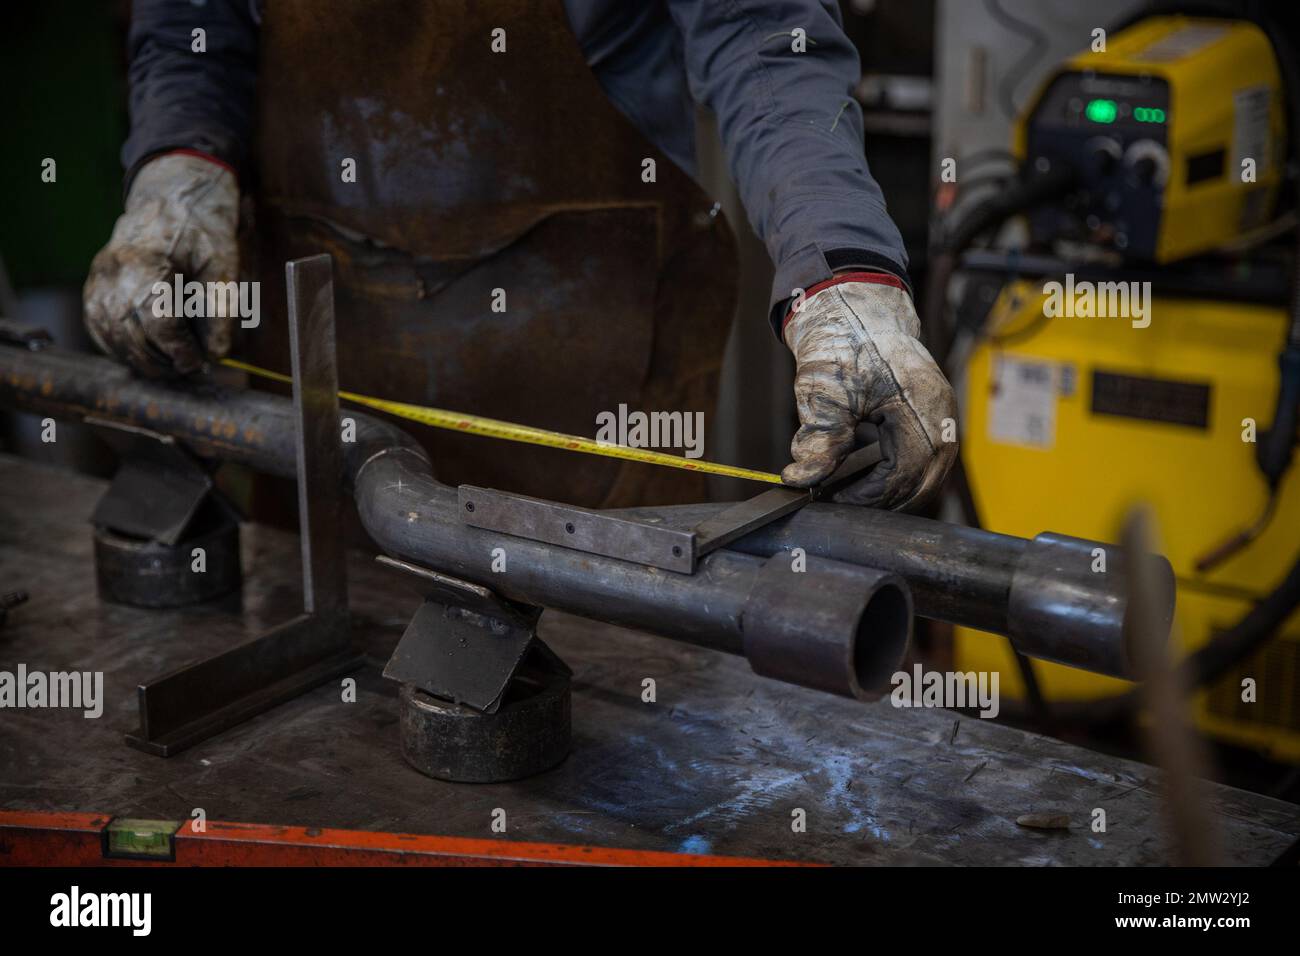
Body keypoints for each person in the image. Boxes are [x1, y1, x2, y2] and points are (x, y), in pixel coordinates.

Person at [84, 0, 955, 511]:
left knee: (601, 714)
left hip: (593, 354)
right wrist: (179, 169)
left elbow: (765, 37)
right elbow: (190, 24)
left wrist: (843, 273)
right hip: (318, 346)